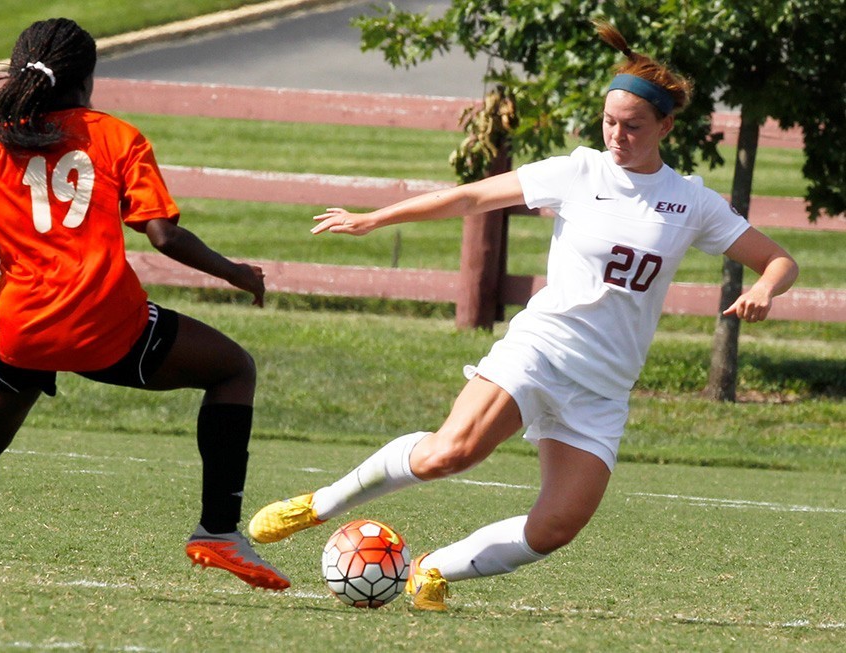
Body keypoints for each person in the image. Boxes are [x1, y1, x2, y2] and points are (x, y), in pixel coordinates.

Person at [247, 21, 799, 610]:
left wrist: (766, 287)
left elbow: (778, 259)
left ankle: (433, 569)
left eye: (633, 126)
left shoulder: (690, 201)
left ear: (666, 126)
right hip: (541, 350)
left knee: (556, 526)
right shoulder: (578, 171)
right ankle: (321, 504)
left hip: (604, 387)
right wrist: (374, 218)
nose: (617, 135)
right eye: (609, 121)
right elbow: (469, 197)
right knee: (449, 455)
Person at [0, 18, 289, 591]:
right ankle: (217, 530)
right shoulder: (116, 137)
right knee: (234, 369)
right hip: (109, 328)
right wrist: (237, 273)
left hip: (23, 331)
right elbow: (164, 236)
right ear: (86, 81)